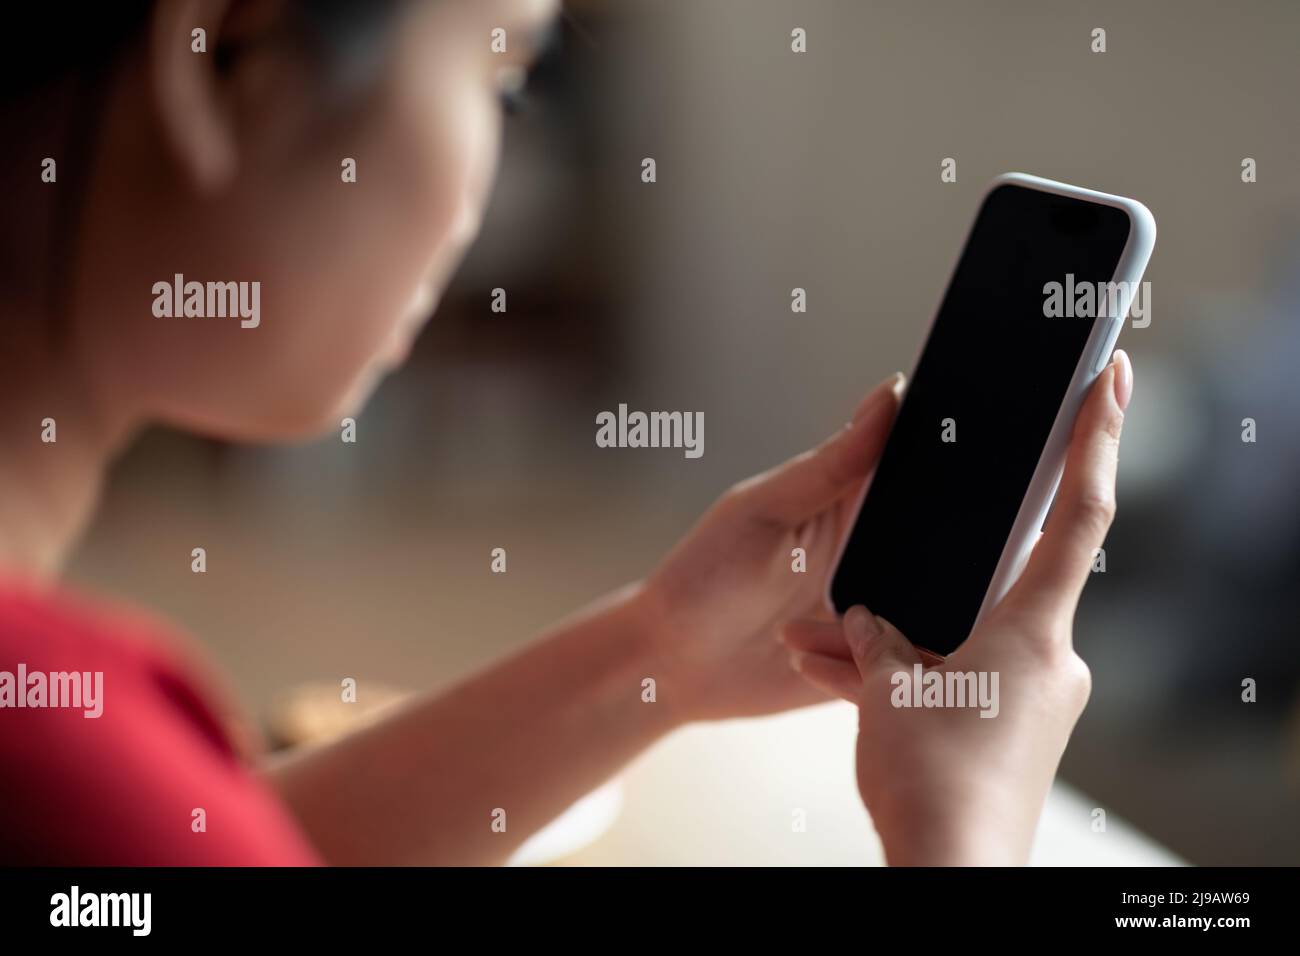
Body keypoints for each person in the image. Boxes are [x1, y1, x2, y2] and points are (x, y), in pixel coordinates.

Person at [0, 0, 1132, 866]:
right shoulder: (60, 749)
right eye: (502, 73)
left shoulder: (82, 761)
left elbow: (218, 846)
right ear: (220, 59)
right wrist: (962, 825)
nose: (484, 189)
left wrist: (662, 654)